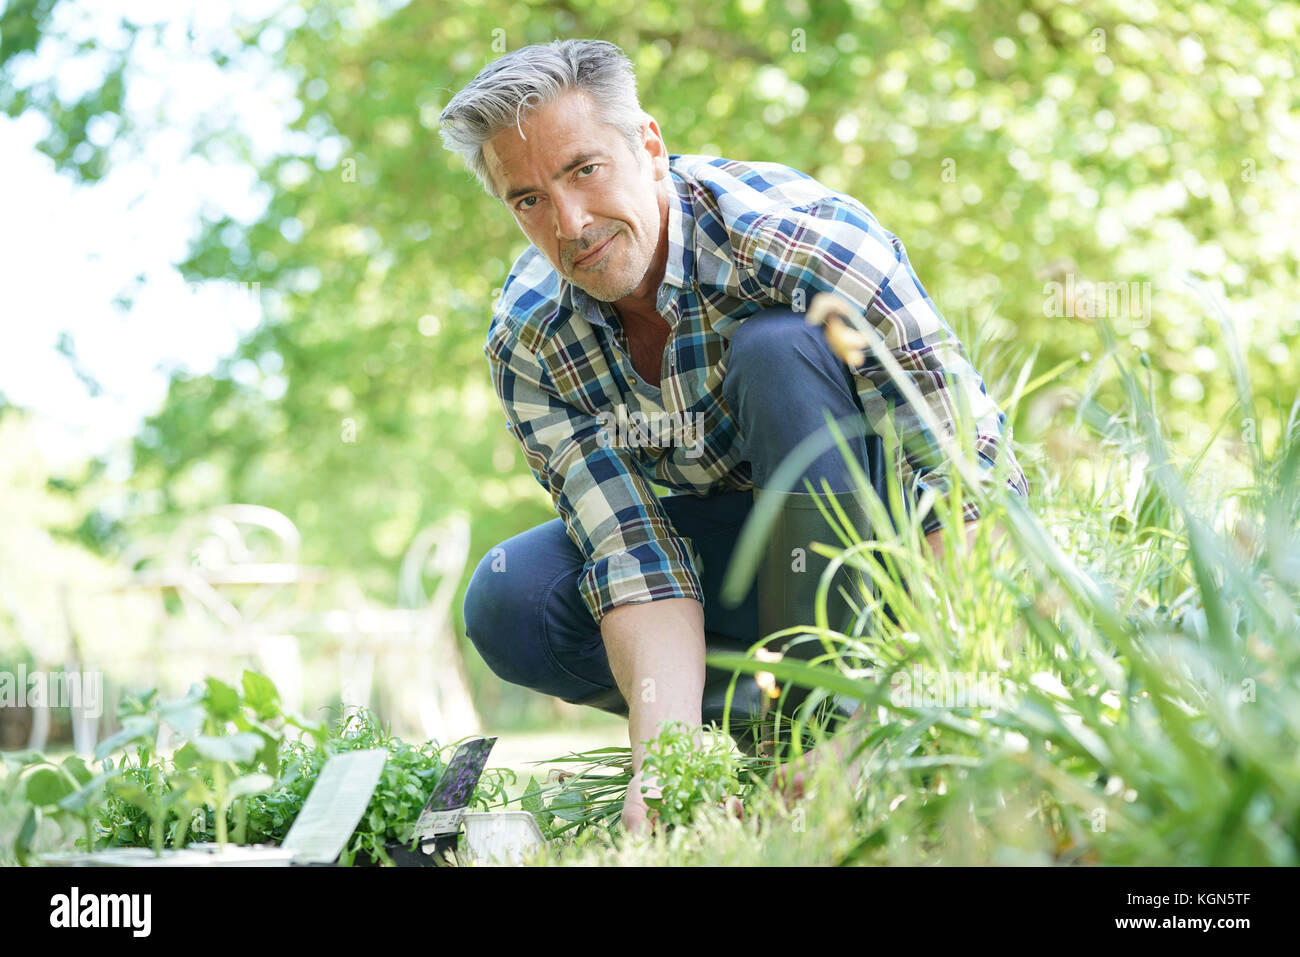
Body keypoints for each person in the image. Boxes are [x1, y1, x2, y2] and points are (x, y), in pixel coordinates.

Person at [438, 38, 1028, 835]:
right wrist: (664, 777)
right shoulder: (531, 341)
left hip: (884, 552)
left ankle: (853, 720)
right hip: (744, 566)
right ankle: (757, 737)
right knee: (512, 595)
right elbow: (633, 557)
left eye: (584, 169)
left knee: (778, 349)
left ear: (648, 146)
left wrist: (878, 725)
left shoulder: (801, 244)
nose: (570, 223)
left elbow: (965, 479)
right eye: (529, 199)